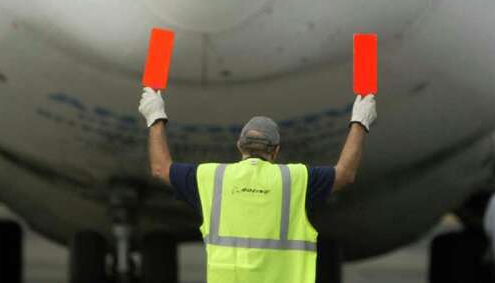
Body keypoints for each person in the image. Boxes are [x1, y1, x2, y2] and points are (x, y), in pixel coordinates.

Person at [139, 87, 376, 283]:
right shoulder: (294, 179)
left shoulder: (212, 177)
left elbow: (161, 168)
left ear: (240, 146)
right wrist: (359, 122)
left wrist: (155, 118)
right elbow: (345, 174)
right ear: (276, 151)